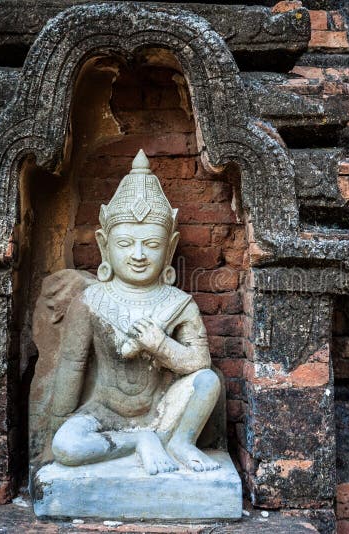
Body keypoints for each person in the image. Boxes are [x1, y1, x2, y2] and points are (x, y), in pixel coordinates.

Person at [48, 149, 221, 474]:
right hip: (103, 413)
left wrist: (160, 344)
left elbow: (200, 363)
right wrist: (54, 430)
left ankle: (181, 442)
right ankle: (137, 443)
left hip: (161, 410)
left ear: (170, 247)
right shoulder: (91, 301)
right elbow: (71, 367)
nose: (139, 255)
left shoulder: (177, 303)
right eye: (126, 244)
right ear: (104, 245)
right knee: (66, 447)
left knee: (208, 381)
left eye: (152, 245)